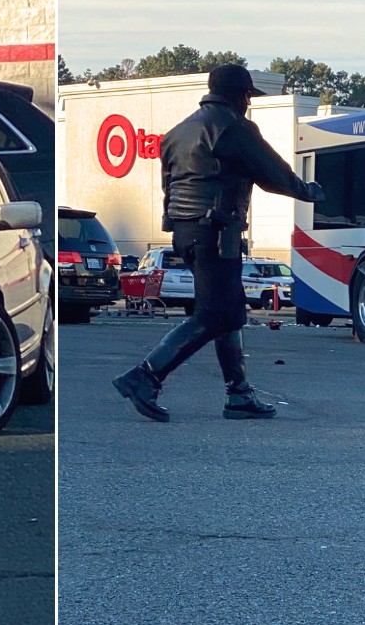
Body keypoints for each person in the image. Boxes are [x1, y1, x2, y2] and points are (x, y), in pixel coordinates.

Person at [112, 65, 324, 421]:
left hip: (185, 232)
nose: (248, 104)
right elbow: (272, 172)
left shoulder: (177, 133)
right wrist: (307, 191)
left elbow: (170, 186)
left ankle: (238, 393)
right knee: (215, 315)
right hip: (217, 231)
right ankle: (145, 376)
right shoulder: (233, 128)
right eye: (248, 97)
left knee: (229, 311)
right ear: (241, 95)